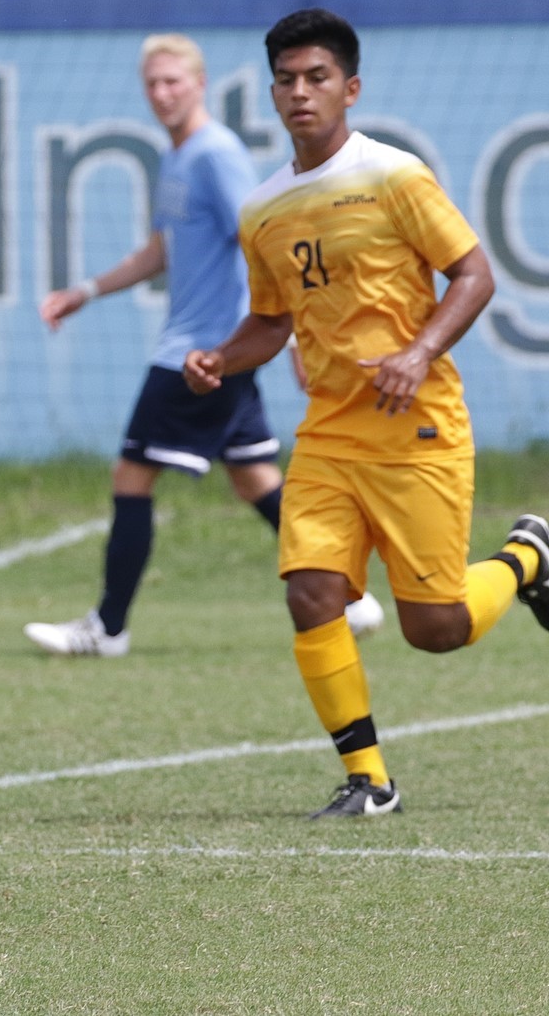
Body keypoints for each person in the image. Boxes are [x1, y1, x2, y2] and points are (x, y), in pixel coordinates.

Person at [183, 8, 549, 818]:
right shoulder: (263, 210)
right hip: (328, 431)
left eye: (317, 77)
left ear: (349, 89)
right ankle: (369, 779)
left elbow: (475, 274)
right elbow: (272, 320)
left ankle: (529, 557)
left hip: (417, 422)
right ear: (272, 94)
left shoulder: (395, 175)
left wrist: (417, 352)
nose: (300, 92)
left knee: (436, 628)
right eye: (286, 79)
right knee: (310, 590)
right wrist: (221, 356)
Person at [25, 33, 382, 658]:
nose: (163, 94)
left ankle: (108, 628)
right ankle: (350, 594)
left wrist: (289, 333)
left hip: (203, 353)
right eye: (153, 84)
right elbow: (162, 249)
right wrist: (84, 291)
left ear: (200, 83)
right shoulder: (179, 155)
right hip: (218, 349)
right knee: (253, 479)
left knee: (132, 475)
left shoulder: (215, 154)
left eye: (174, 82)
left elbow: (265, 242)